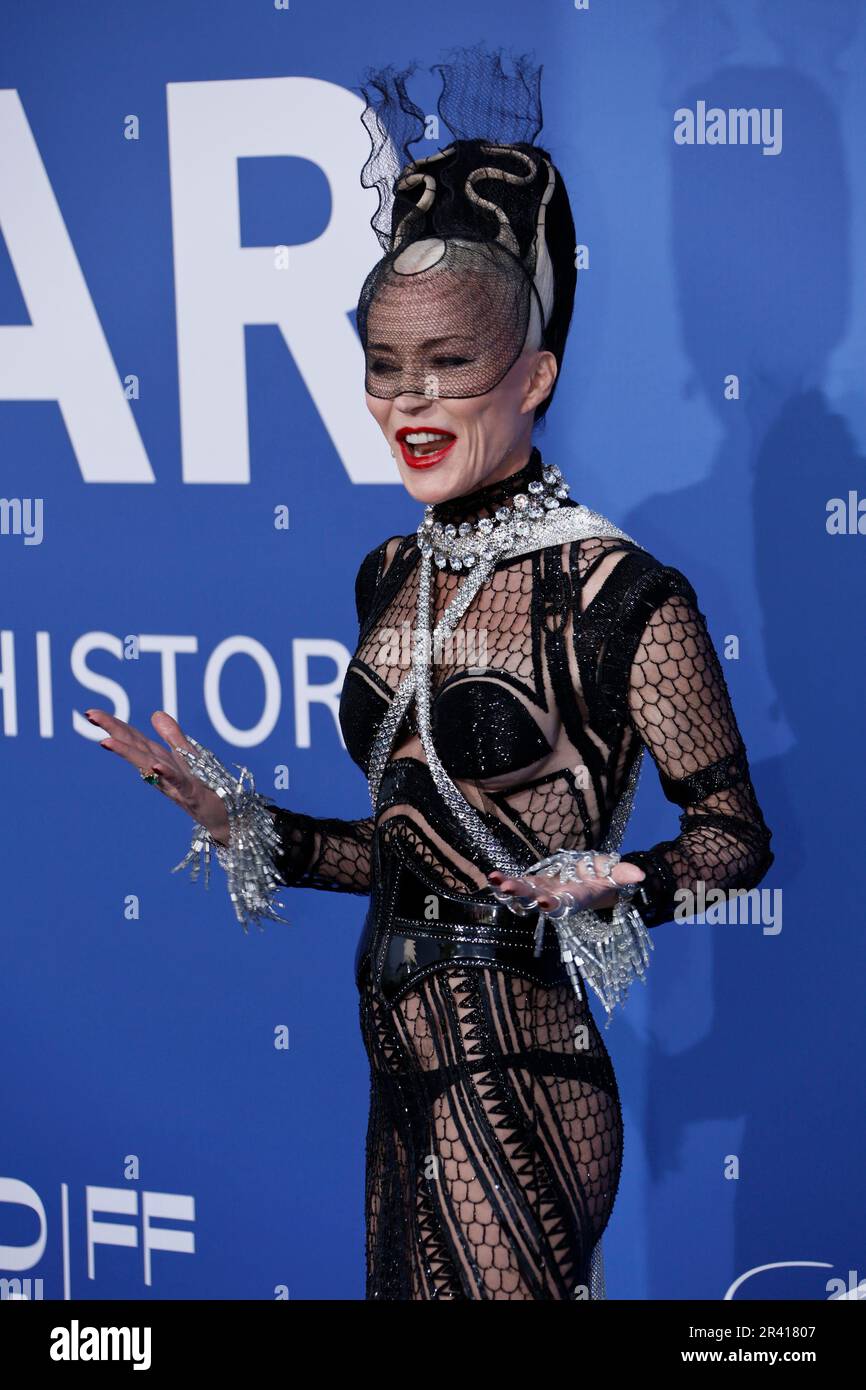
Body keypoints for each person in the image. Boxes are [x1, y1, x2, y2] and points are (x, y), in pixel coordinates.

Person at [84, 48, 774, 1301]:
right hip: (395, 1070)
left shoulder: (616, 595)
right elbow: (400, 849)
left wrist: (629, 878)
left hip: (519, 1076)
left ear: (536, 373)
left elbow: (735, 832)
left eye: (448, 362)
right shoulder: (385, 570)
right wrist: (245, 825)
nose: (407, 398)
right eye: (383, 363)